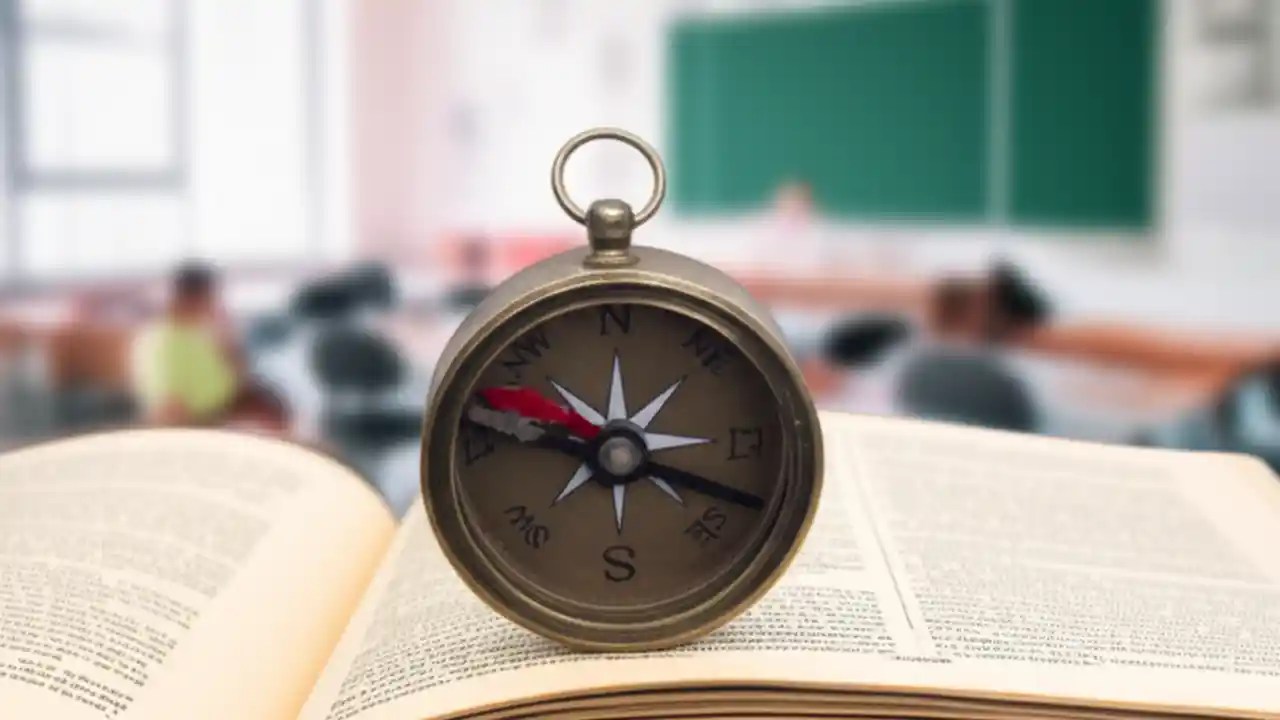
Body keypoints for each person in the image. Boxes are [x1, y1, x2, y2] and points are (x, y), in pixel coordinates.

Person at [132, 262, 286, 430]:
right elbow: (170, 410)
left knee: (278, 405)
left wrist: (226, 337)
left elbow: (238, 369)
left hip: (233, 401)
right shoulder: (163, 343)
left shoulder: (197, 327)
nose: (215, 303)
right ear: (194, 298)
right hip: (208, 418)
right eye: (212, 297)